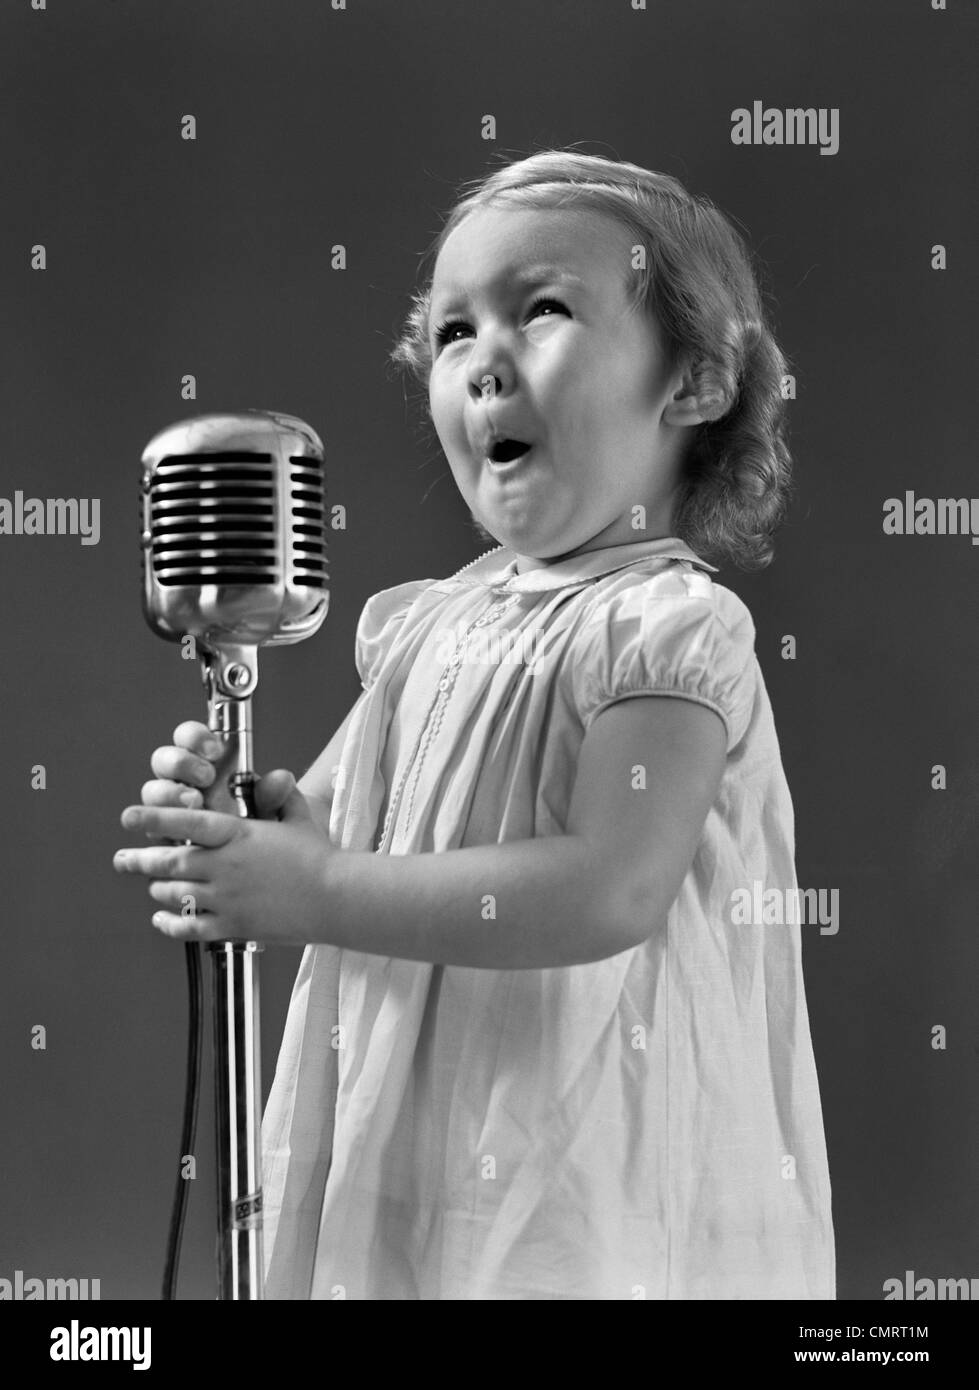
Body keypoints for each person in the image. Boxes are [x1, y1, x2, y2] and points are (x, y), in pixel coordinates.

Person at [114, 149, 835, 1300]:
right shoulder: (429, 627)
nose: (483, 362)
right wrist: (257, 832)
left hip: (581, 1150)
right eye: (452, 333)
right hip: (415, 1136)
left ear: (692, 380)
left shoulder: (666, 632)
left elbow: (611, 886)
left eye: (540, 309)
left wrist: (316, 891)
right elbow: (347, 837)